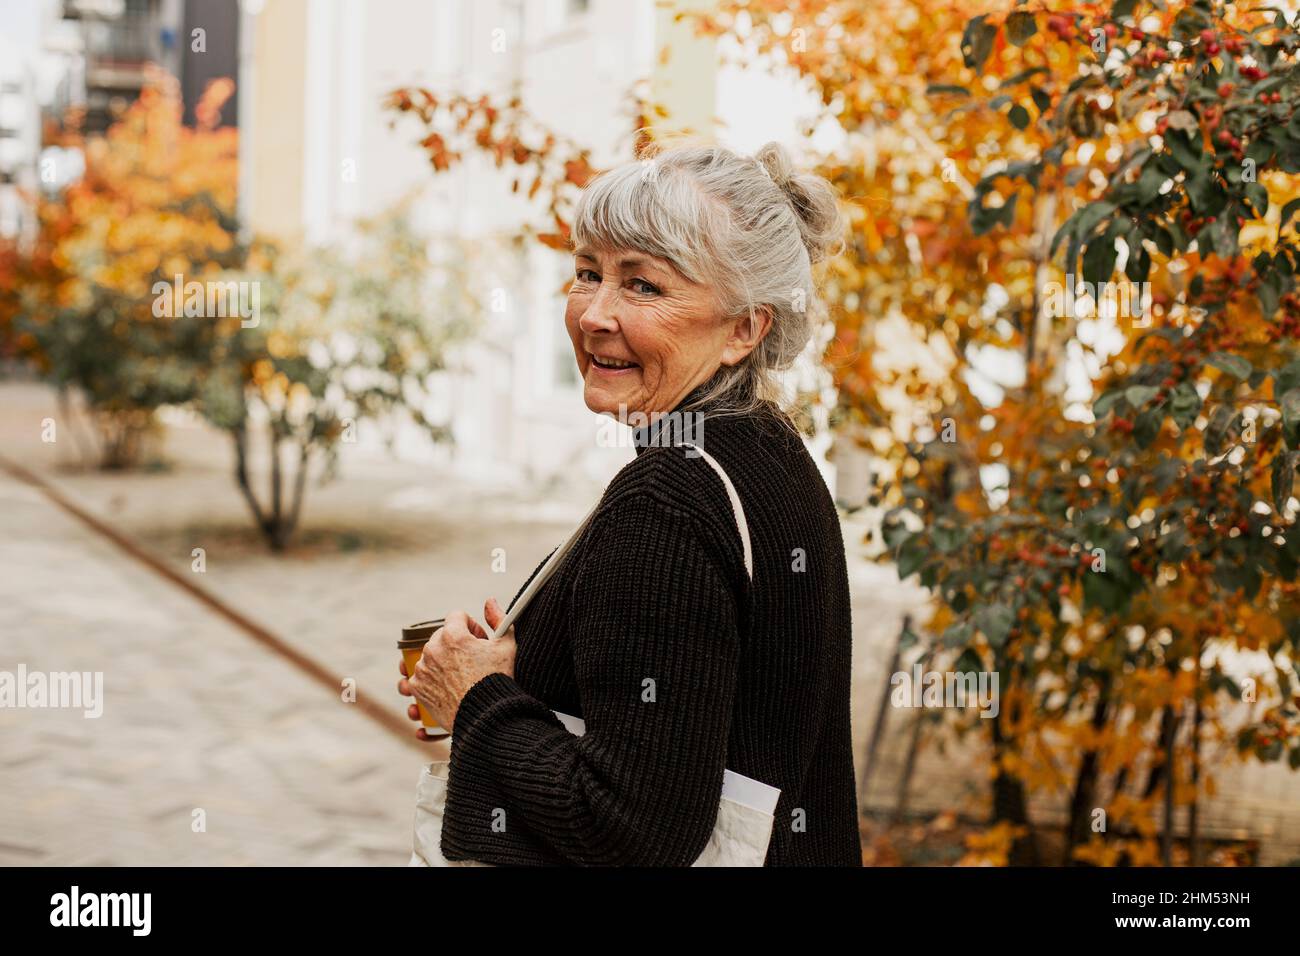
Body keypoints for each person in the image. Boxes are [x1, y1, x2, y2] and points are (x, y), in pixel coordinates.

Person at [398, 140, 862, 865]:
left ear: (745, 328)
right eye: (588, 273)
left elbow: (628, 831)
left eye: (642, 286)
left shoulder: (667, 502)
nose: (593, 315)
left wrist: (477, 701)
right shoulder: (765, 450)